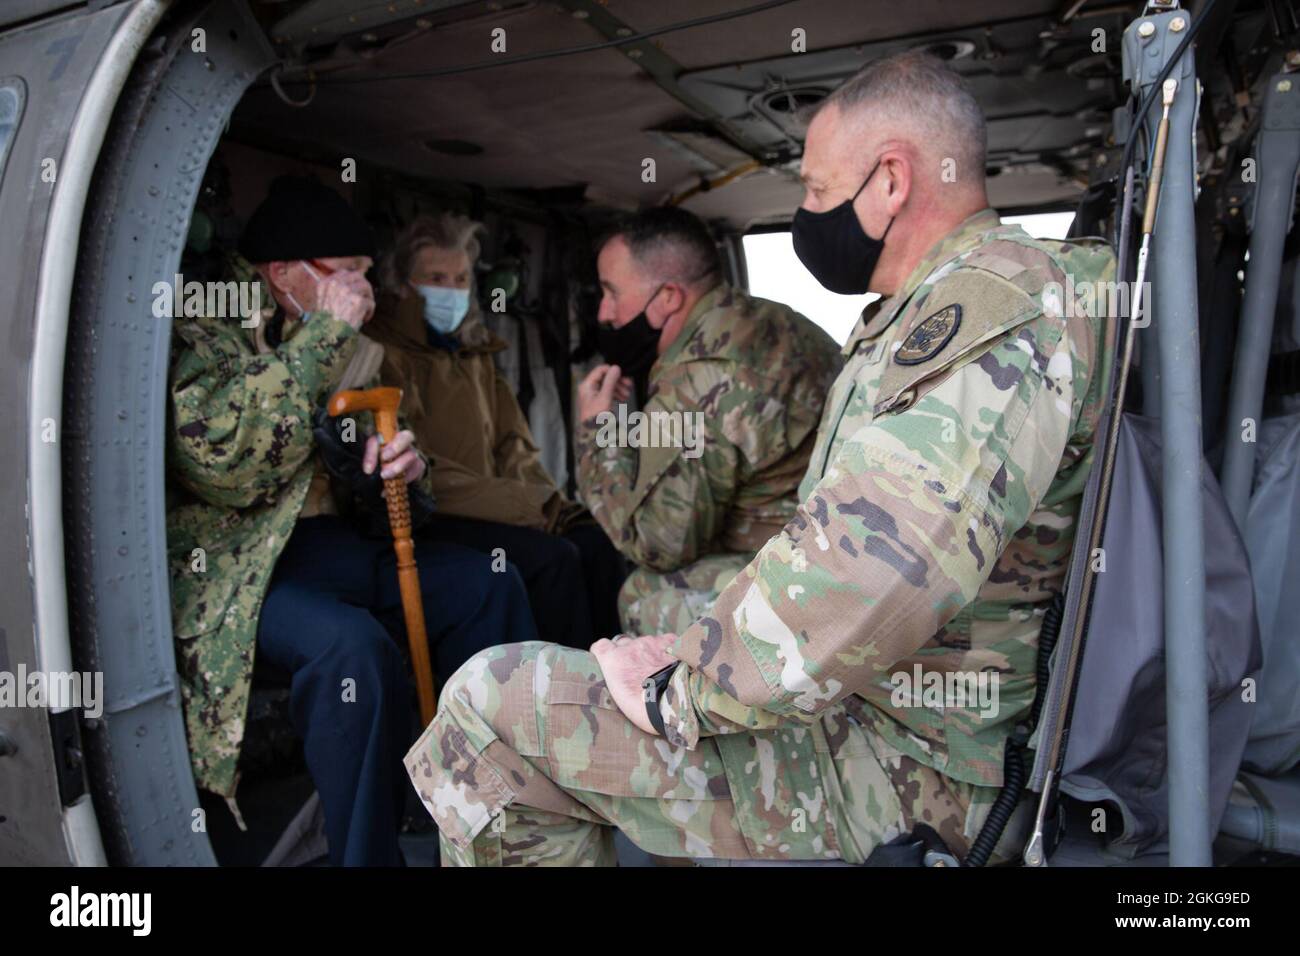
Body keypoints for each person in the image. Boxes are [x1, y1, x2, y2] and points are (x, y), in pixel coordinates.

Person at [405, 50, 1118, 866]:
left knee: (489, 705)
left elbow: (875, 556)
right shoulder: (948, 305)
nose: (809, 210)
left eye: (816, 190)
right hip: (900, 702)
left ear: (890, 181)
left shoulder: (988, 311)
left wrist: (681, 687)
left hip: (917, 764)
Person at [166, 176, 538, 866]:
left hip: (337, 547)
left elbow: (380, 478)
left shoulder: (348, 344)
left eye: (367, 278)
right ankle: (368, 856)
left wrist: (400, 470)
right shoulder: (203, 331)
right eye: (347, 278)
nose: (362, 295)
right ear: (284, 275)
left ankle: (489, 816)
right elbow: (224, 464)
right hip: (242, 569)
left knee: (491, 585)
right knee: (352, 651)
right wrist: (324, 335)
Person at [364, 213, 627, 647]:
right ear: (403, 283)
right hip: (433, 514)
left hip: (497, 510)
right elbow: (419, 467)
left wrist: (549, 505)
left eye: (460, 278)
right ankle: (560, 696)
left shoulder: (476, 351)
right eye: (435, 277)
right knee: (553, 559)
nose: (450, 289)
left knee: (595, 540)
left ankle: (617, 683)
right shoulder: (384, 352)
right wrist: (526, 506)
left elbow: (513, 446)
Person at [576, 206, 842, 635]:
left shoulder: (694, 376)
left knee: (643, 591)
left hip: (806, 574)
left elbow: (659, 544)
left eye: (611, 292)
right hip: (839, 547)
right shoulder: (773, 319)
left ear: (667, 298)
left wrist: (597, 433)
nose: (604, 312)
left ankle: (692, 703)